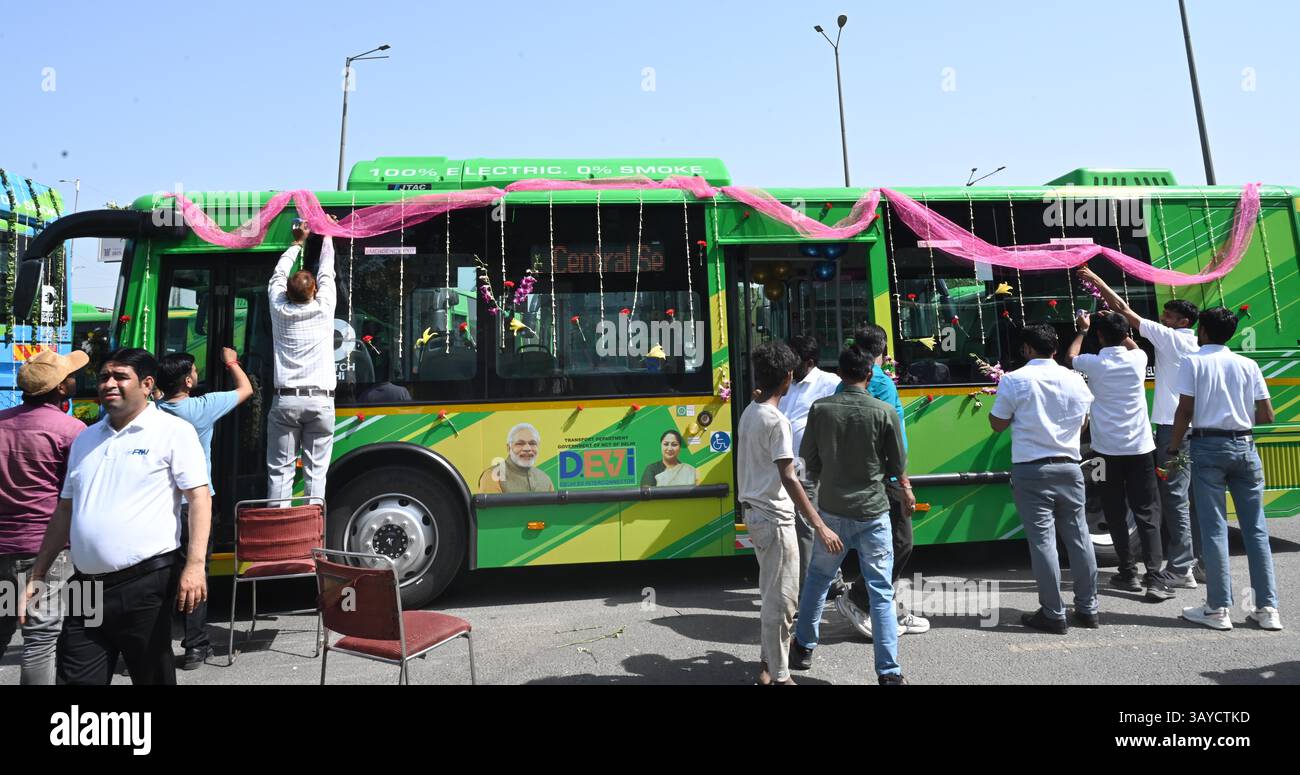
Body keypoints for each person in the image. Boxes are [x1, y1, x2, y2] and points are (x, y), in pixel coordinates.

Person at [25, 348, 210, 685]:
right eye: (103, 377)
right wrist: (37, 574)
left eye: (120, 376)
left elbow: (199, 499)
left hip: (145, 582)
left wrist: (195, 566)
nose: (109, 383)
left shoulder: (172, 432)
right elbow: (64, 509)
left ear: (147, 384)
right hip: (86, 587)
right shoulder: (85, 438)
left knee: (152, 676)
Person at [790, 342, 911, 685]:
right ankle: (888, 672)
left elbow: (808, 462)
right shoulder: (883, 411)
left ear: (840, 374)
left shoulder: (821, 409)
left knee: (818, 579)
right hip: (873, 511)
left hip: (831, 510)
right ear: (870, 374)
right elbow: (897, 465)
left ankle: (804, 647)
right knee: (880, 590)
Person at [1078, 266, 1201, 586]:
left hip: (1171, 427)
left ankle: (1181, 568)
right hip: (1165, 433)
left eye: (1168, 316)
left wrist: (1096, 280)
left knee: (1171, 496)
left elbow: (1123, 308)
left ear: (1183, 323)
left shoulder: (1171, 340)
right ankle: (1187, 564)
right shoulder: (1162, 350)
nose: (1163, 320)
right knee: (1173, 499)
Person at [1168, 307, 1282, 631]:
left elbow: (1185, 411)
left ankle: (1218, 609)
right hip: (1246, 447)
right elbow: (1269, 415)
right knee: (1256, 531)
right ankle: (1268, 608)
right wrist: (1240, 424)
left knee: (1214, 528)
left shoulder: (1194, 361)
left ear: (1202, 331)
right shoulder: (1248, 364)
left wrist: (1174, 448)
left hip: (1207, 447)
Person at [739, 340, 840, 685]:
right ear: (787, 378)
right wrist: (818, 523)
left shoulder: (750, 411)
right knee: (782, 604)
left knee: (772, 597)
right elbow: (788, 475)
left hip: (756, 515)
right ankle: (780, 676)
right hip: (775, 519)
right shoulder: (776, 419)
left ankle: (768, 667)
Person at [989, 324, 1099, 633]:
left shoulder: (1014, 380)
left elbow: (997, 424)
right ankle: (1088, 609)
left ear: (1026, 349)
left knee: (1043, 543)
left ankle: (1053, 613)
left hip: (1032, 470)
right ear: (1055, 348)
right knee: (1079, 539)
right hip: (1070, 466)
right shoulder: (1076, 380)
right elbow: (1083, 425)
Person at [155, 347, 254, 669]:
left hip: (159, 507)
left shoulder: (152, 412)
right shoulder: (201, 407)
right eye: (194, 371)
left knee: (161, 576)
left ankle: (154, 646)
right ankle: (196, 646)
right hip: (194, 507)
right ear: (187, 380)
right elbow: (246, 389)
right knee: (196, 573)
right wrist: (231, 362)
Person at [1067, 311, 1175, 602]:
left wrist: (1082, 330)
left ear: (1099, 337)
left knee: (1113, 508)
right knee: (1148, 512)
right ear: (1125, 334)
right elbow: (1133, 345)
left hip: (1104, 452)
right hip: (1140, 449)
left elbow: (1071, 357)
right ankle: (1153, 577)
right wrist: (1119, 328)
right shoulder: (1138, 359)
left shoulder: (1094, 362)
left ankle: (1127, 572)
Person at [834, 323, 928, 639]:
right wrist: (904, 484)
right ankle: (858, 599)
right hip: (885, 477)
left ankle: (885, 608)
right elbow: (890, 437)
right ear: (883, 350)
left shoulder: (845, 385)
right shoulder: (881, 383)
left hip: (862, 475)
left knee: (881, 546)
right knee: (901, 543)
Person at [0, 349, 87, 684]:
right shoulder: (71, 430)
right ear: (61, 388)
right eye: (70, 375)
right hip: (47, 549)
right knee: (39, 639)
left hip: (3, 548)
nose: (75, 378)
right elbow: (77, 491)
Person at [267, 218, 338, 502]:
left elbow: (277, 274)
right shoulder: (324, 308)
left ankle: (278, 536)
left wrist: (298, 242)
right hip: (321, 402)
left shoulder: (278, 309)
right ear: (315, 292)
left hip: (286, 401)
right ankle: (313, 535)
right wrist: (328, 237)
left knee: (280, 472)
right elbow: (327, 272)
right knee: (316, 475)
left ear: (286, 292)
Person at [776, 335, 841, 586]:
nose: (789, 366)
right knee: (795, 524)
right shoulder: (788, 384)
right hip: (785, 467)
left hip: (809, 468)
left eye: (794, 361)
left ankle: (809, 587)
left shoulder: (829, 382)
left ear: (810, 362)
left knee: (806, 525)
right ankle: (828, 579)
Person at [478, 423, 554, 493]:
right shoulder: (493, 476)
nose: (527, 448)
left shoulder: (544, 479)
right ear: (508, 448)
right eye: (520, 444)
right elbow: (493, 507)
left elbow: (551, 508)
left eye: (532, 443)